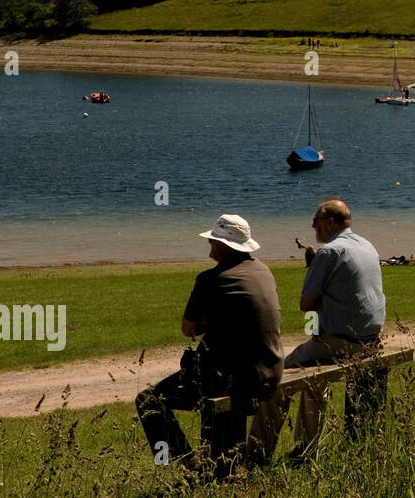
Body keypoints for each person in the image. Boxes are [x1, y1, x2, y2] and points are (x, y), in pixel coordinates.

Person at [137, 214, 283, 477]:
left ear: (225, 246)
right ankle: (211, 466)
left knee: (148, 400)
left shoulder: (210, 280)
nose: (209, 246)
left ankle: (184, 464)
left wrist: (208, 321)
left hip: (231, 379)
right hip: (270, 371)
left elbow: (188, 328)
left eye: (213, 241)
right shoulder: (264, 271)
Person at [251, 198, 388, 463]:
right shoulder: (366, 245)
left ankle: (256, 456)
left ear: (329, 222)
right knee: (312, 375)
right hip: (370, 340)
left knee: (277, 378)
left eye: (315, 220)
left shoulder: (329, 253)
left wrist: (315, 272)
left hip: (340, 343)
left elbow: (306, 304)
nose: (312, 226)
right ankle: (306, 448)